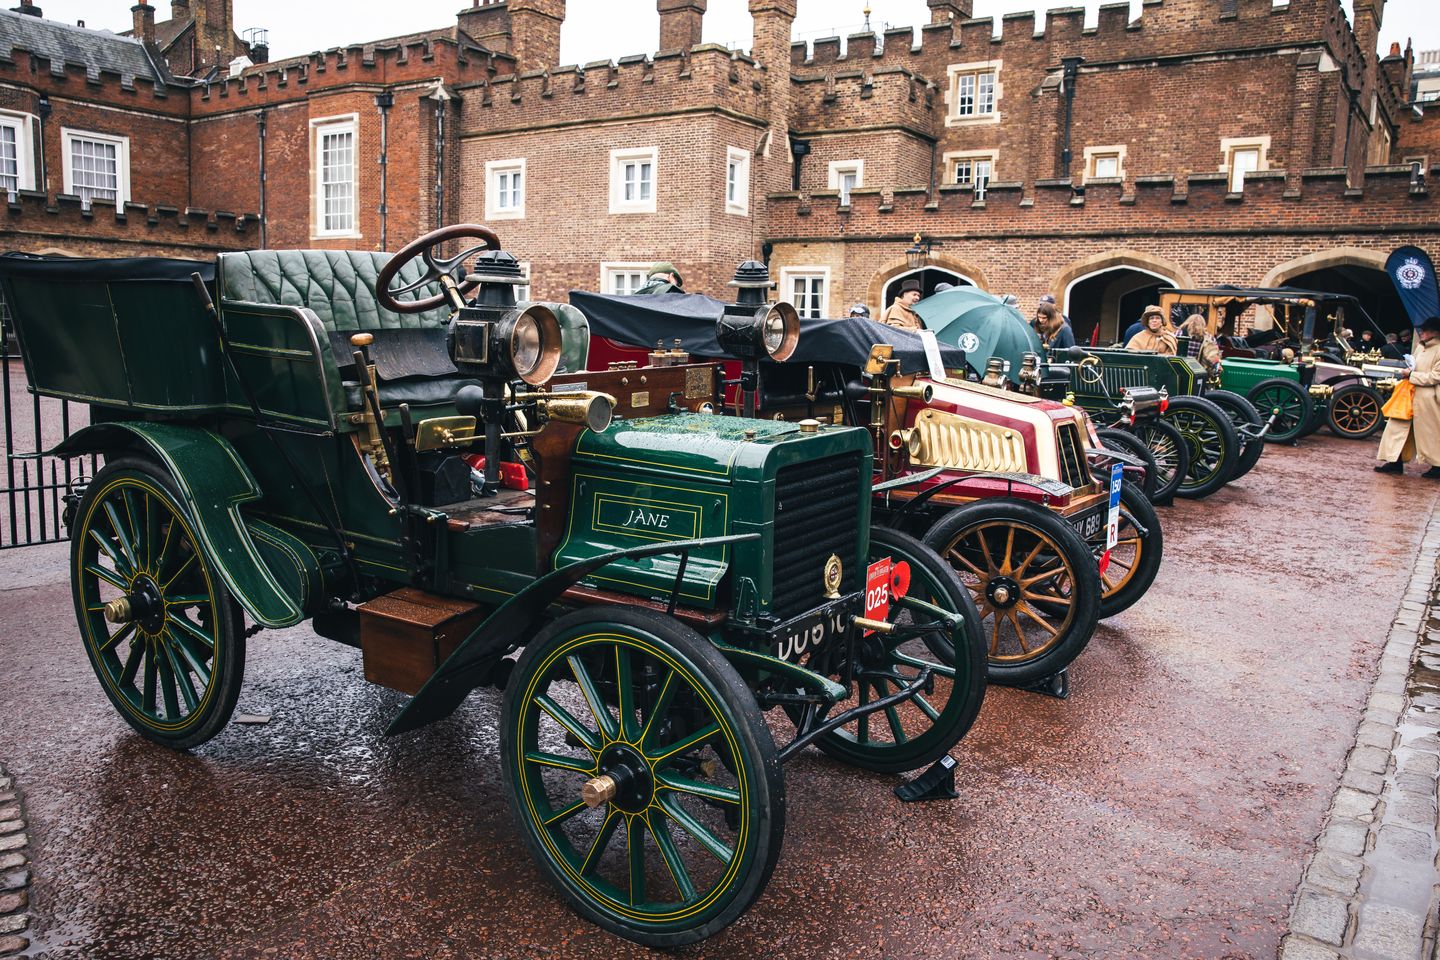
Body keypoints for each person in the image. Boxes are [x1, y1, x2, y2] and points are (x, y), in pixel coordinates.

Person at [1375, 315, 1440, 477]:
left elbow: (1435, 376)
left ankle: (1437, 466)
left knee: (1429, 433)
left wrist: (1411, 375)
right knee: (1396, 428)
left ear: (1434, 333)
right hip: (1409, 394)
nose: (1422, 333)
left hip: (1427, 398)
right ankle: (1394, 461)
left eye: (1424, 331)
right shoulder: (1420, 347)